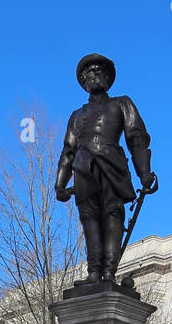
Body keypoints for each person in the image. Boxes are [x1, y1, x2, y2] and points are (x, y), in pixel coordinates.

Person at [55, 53, 158, 283]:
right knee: (89, 220)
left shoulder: (122, 104)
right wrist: (59, 184)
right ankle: (94, 272)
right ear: (83, 80)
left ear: (108, 78)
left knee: (112, 217)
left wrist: (144, 173)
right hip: (83, 170)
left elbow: (137, 138)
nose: (95, 75)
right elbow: (68, 151)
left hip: (113, 168)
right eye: (89, 72)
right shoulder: (76, 116)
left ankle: (109, 272)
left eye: (99, 71)